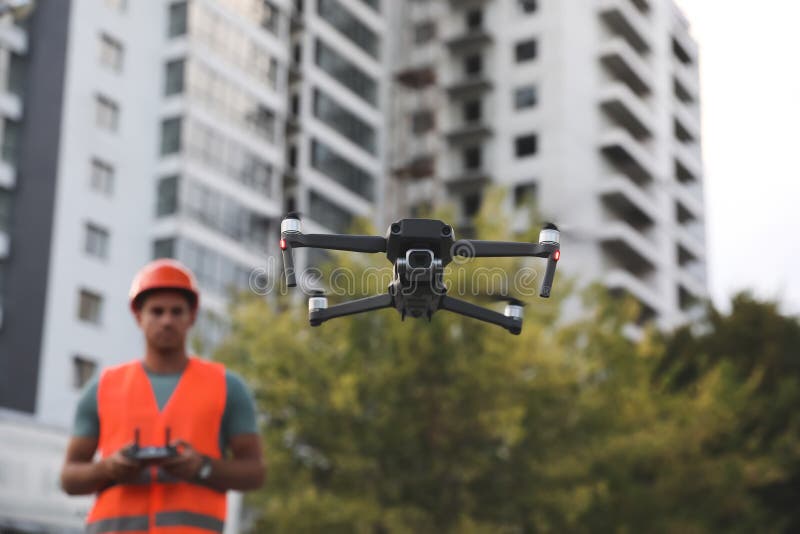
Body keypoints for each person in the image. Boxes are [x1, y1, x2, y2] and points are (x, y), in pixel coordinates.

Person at [60, 259, 265, 533]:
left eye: (176, 311)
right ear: (138, 316)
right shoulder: (102, 388)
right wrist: (108, 469)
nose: (167, 320)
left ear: (192, 316)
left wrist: (202, 466)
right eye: (156, 311)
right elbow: (69, 477)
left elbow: (254, 472)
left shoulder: (228, 387)